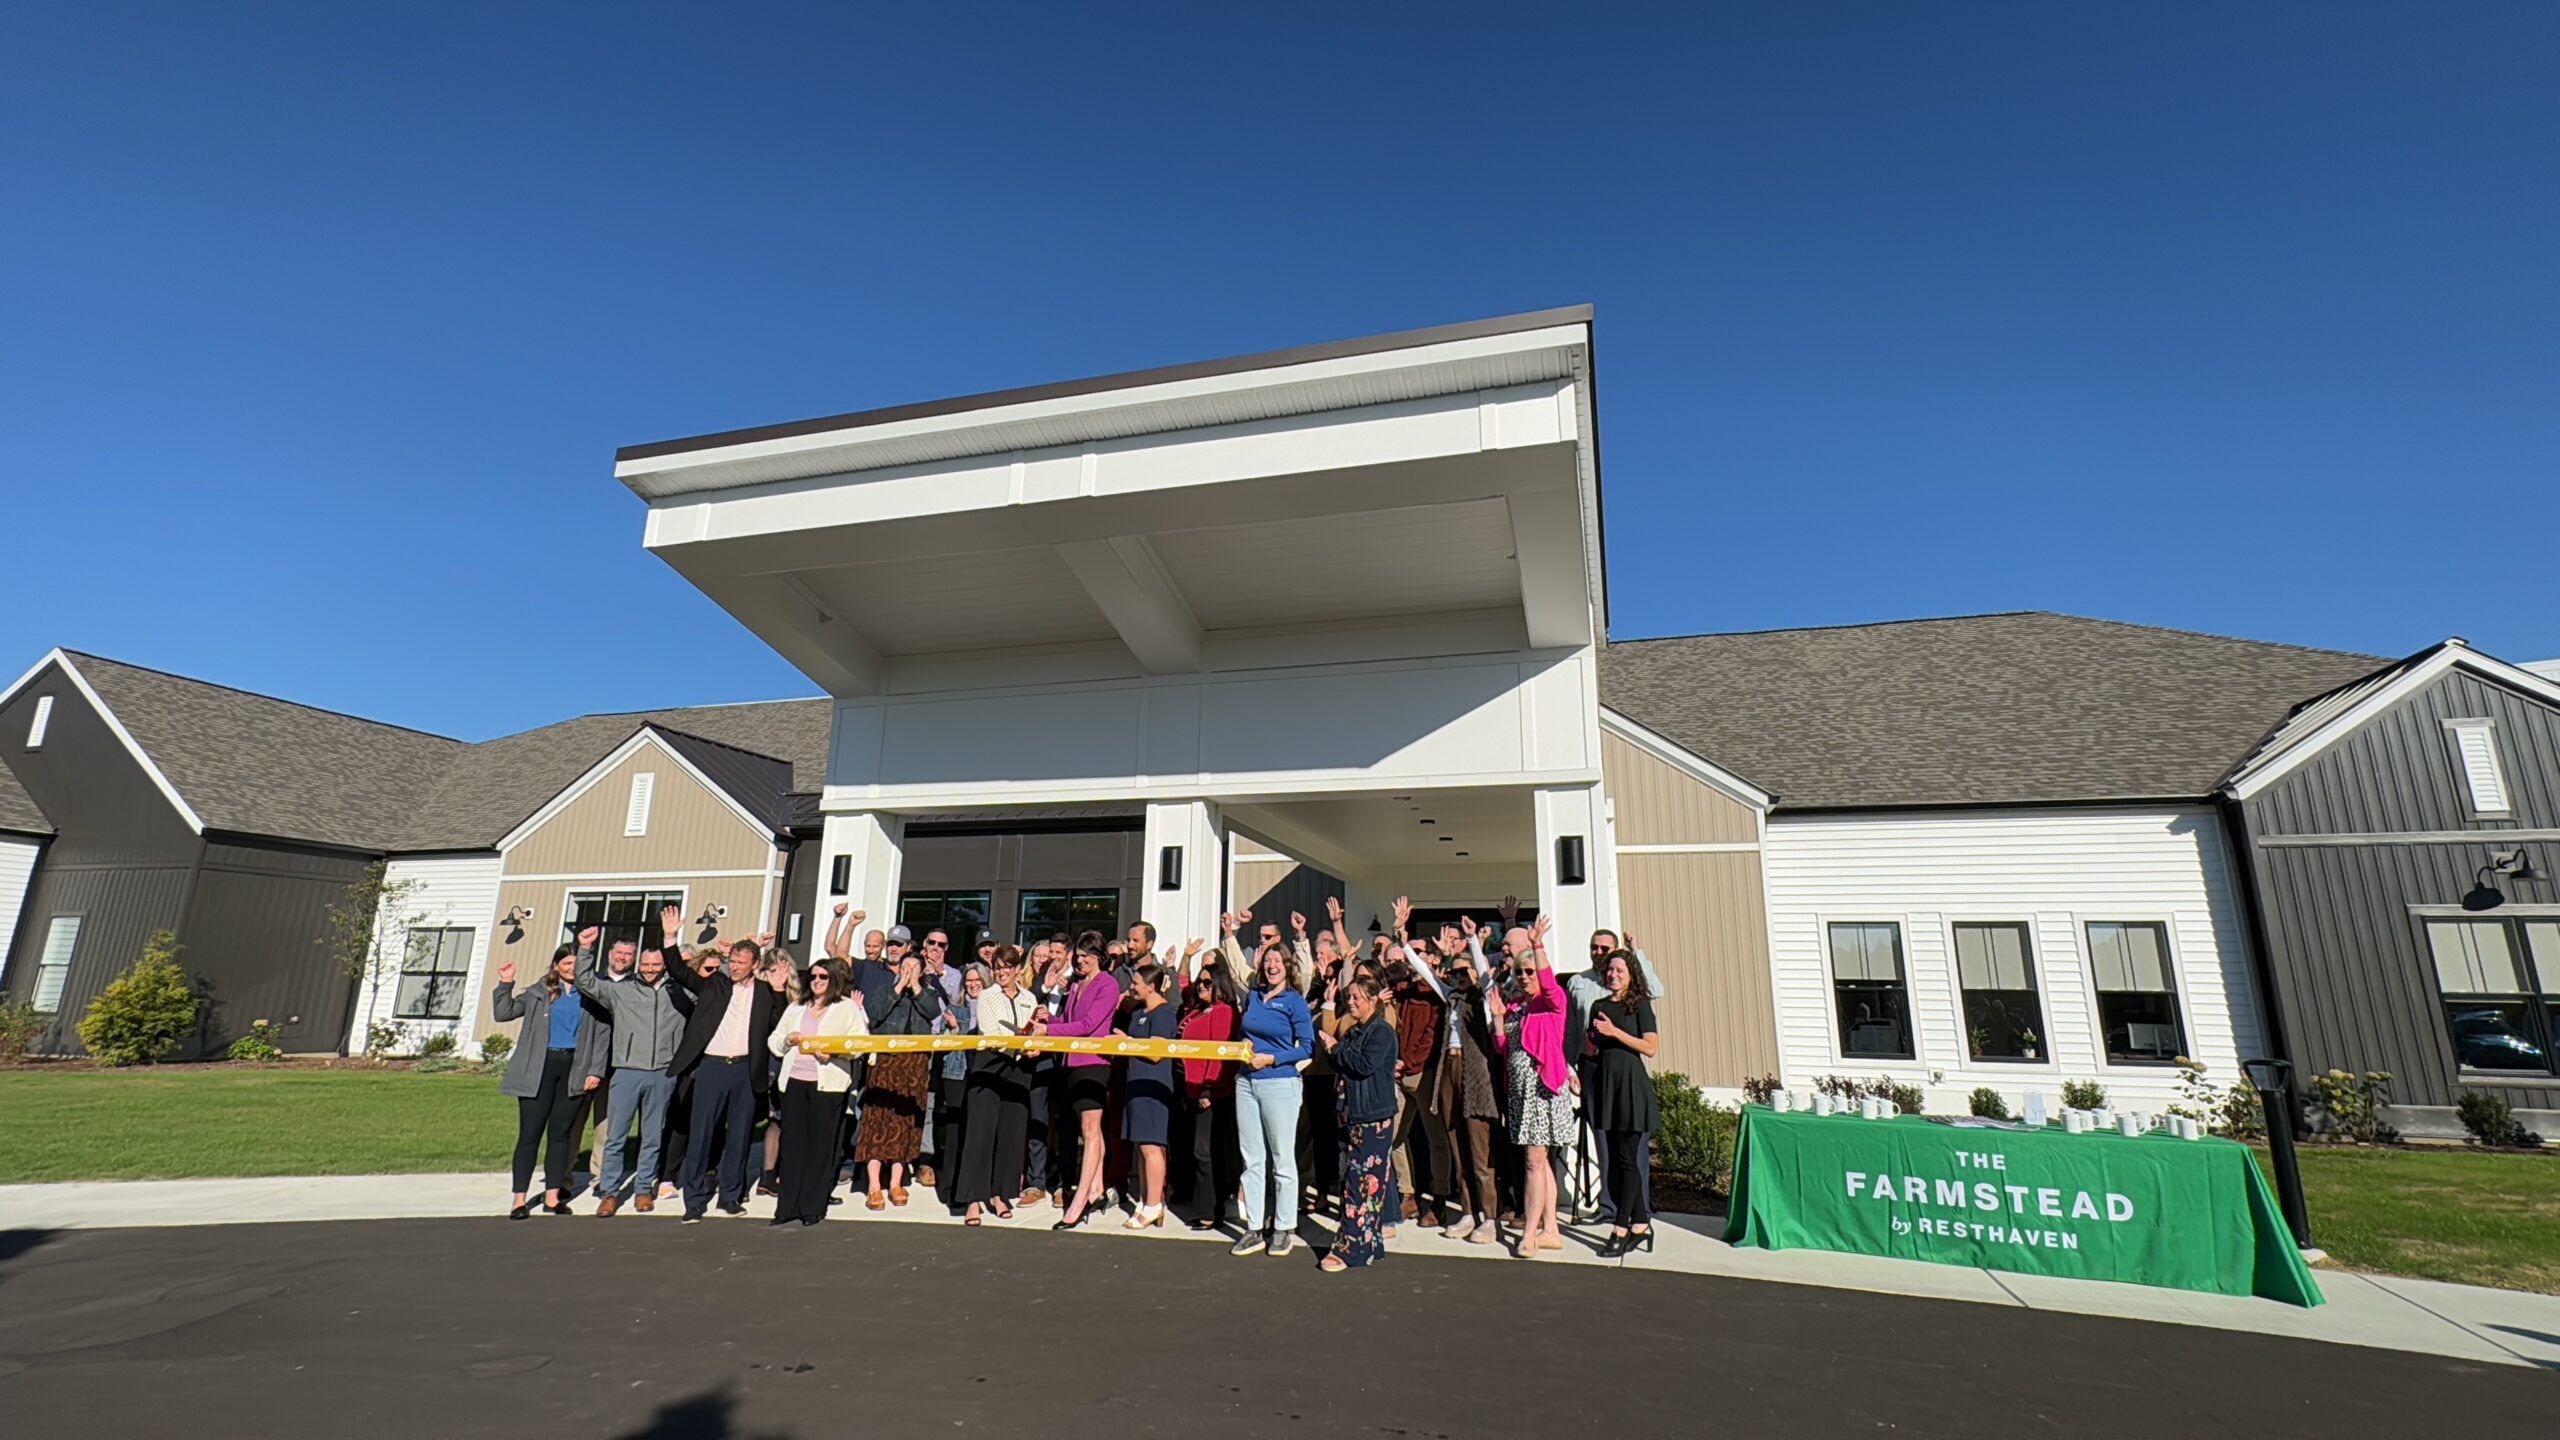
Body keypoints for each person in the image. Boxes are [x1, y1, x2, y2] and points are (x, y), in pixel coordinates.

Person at [660, 932, 789, 1223]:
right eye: (733, 961)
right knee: (702, 1134)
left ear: (755, 965)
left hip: (745, 1071)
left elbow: (779, 1024)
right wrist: (669, 937)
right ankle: (693, 1200)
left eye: (742, 963)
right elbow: (679, 972)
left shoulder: (766, 992)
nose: (735, 967)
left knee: (740, 1136)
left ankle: (730, 1196)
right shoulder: (715, 984)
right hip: (712, 1068)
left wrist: (780, 991)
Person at [492, 935, 612, 1219]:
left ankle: (552, 1197)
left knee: (561, 1136)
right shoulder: (539, 993)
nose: (571, 967)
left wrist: (595, 1071)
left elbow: (602, 1036)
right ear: (556, 966)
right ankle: (519, 1200)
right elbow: (503, 1012)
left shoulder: (593, 997)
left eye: (575, 962)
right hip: (540, 1068)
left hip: (574, 1069)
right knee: (529, 1135)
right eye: (566, 962)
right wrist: (505, 984)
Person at [576, 939, 687, 1215]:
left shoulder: (680, 993)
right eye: (646, 964)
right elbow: (585, 981)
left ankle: (642, 1190)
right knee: (617, 1137)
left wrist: (721, 957)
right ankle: (610, 1193)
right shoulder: (621, 991)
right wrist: (585, 950)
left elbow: (710, 987)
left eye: (656, 965)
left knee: (652, 1137)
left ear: (665, 966)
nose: (650, 969)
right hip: (626, 1071)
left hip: (662, 1073)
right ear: (639, 964)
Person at [1567, 927, 1667, 1224]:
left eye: (1606, 950)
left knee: (1630, 1150)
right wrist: (1574, 1066)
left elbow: (1654, 993)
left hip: (1626, 1073)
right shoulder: (1579, 983)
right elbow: (1575, 1030)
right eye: (1594, 948)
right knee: (1605, 1142)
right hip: (1595, 1069)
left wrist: (1636, 952)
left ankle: (1637, 1213)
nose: (1600, 955)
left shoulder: (1636, 997)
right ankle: (1610, 1207)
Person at [1488, 917, 1569, 1259]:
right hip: (1521, 1091)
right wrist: (1496, 1017)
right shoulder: (1518, 1007)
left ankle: (1531, 1233)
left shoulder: (1552, 1002)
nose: (1524, 977)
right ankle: (1551, 1229)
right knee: (1542, 1162)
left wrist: (1537, 945)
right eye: (1520, 973)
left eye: (1530, 972)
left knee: (1534, 1161)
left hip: (1543, 1089)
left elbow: (1549, 985)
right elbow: (1504, 1048)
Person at [1231, 925, 1313, 1258]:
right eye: (1267, 959)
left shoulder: (1295, 1001)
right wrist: (1244, 1046)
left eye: (1278, 960)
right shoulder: (1252, 997)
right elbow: (1243, 1034)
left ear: (1287, 966)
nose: (1272, 965)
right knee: (1252, 1159)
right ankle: (1254, 1227)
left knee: (1282, 1159)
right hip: (1246, 1081)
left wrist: (1273, 1057)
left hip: (1280, 1082)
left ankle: (1283, 1227)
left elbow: (1307, 1047)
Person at [767, 956, 868, 1226]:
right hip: (795, 1082)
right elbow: (774, 1040)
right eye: (813, 977)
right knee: (793, 1147)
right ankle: (787, 1207)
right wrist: (787, 1041)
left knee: (820, 1147)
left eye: (823, 977)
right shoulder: (797, 1007)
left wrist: (835, 1051)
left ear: (833, 979)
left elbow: (860, 1043)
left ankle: (812, 1206)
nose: (817, 981)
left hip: (828, 1086)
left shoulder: (846, 1007)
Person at [1036, 934, 1123, 1229]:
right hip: (1070, 1063)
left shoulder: (1108, 984)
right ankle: (1096, 1188)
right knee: (1088, 1130)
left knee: (1090, 1129)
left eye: (1087, 955)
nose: (1081, 960)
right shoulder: (1076, 984)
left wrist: (1048, 1032)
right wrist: (1047, 1021)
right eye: (1079, 955)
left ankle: (1080, 1199)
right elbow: (1069, 1020)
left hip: (1093, 1064)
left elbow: (1088, 1027)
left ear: (1099, 955)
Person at [1318, 972, 1399, 1272]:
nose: (1350, 1003)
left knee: (1363, 1183)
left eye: (1356, 998)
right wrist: (1335, 1049)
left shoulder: (1381, 1032)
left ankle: (1353, 1248)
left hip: (1373, 1116)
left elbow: (1363, 1065)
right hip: (1351, 1114)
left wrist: (1337, 1049)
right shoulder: (1354, 1032)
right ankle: (1368, 1242)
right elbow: (1338, 1061)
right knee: (1351, 1180)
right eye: (1349, 997)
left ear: (1373, 1000)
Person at [855, 930, 941, 1208]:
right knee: (878, 1120)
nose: (908, 972)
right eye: (905, 968)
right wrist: (898, 986)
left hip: (914, 1064)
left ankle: (896, 1182)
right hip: (885, 1063)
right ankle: (874, 1185)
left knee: (904, 1123)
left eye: (914, 968)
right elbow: (876, 1013)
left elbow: (933, 1012)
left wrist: (915, 986)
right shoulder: (884, 990)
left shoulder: (926, 993)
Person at [1585, 949, 1661, 1255]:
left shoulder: (1639, 1005)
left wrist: (1615, 1032)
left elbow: (1651, 1048)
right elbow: (1592, 1048)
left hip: (1630, 1085)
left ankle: (1621, 1226)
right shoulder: (1598, 1005)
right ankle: (1641, 1225)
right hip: (1606, 1084)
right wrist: (1592, 1038)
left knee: (1628, 1159)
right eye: (1609, 970)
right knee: (1617, 1159)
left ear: (1631, 974)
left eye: (1619, 970)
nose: (1613, 974)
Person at [956, 948, 1037, 1225]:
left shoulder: (1030, 998)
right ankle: (973, 1200)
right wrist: (1021, 1046)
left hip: (1018, 1070)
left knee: (1011, 1134)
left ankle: (1000, 1194)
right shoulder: (987, 996)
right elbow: (992, 1032)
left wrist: (1031, 1047)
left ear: (1017, 970)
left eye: (1006, 967)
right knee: (980, 1134)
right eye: (997, 968)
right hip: (989, 1065)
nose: (1001, 972)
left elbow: (1031, 1031)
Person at [1171, 960, 1241, 1230]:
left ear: (1220, 985)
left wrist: (1208, 1089)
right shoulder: (1199, 1011)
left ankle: (1211, 1211)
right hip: (1190, 1087)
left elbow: (1219, 1054)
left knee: (1206, 1152)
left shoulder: (1223, 1011)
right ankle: (1205, 1206)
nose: (1201, 986)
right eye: (1199, 982)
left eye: (1207, 982)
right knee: (1200, 1150)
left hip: (1211, 1091)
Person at [1116, 962, 1181, 1230]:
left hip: (1154, 1084)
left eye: (1136, 984)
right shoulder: (1138, 1012)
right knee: (1140, 1146)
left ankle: (1155, 1204)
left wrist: (1127, 1043)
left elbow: (1156, 1053)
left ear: (1151, 986)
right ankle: (1146, 1200)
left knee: (1152, 1146)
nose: (1131, 987)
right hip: (1136, 1083)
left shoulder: (1164, 1014)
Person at [928, 956, 978, 1206]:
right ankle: (950, 1188)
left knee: (975, 1131)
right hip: (956, 1074)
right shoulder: (953, 1008)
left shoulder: (992, 1006)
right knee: (955, 1131)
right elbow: (943, 1048)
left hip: (981, 1074)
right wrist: (956, 1030)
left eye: (977, 980)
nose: (972, 985)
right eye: (969, 981)